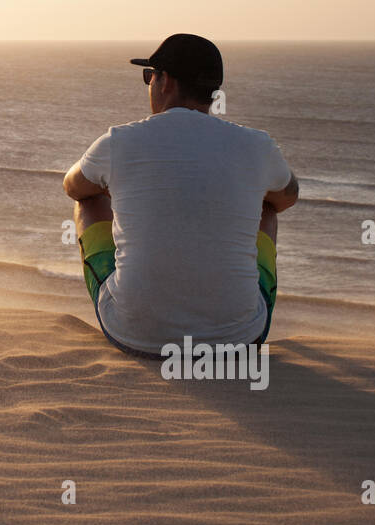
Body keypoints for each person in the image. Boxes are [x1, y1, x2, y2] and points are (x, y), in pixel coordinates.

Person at [63, 34, 299, 356]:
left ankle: (136, 304)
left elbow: (73, 186)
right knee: (267, 208)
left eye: (149, 75)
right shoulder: (258, 146)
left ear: (166, 81)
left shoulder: (120, 141)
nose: (148, 84)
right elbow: (287, 197)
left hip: (133, 334)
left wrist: (116, 187)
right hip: (240, 340)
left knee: (88, 201)